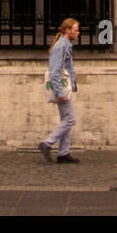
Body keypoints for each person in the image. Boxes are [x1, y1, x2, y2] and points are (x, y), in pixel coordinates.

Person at [39, 18, 80, 164]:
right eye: (75, 30)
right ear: (67, 30)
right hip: (61, 89)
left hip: (64, 88)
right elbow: (54, 71)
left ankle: (63, 153)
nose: (78, 33)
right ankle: (47, 143)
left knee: (65, 119)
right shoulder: (60, 46)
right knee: (70, 119)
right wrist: (60, 92)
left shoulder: (65, 45)